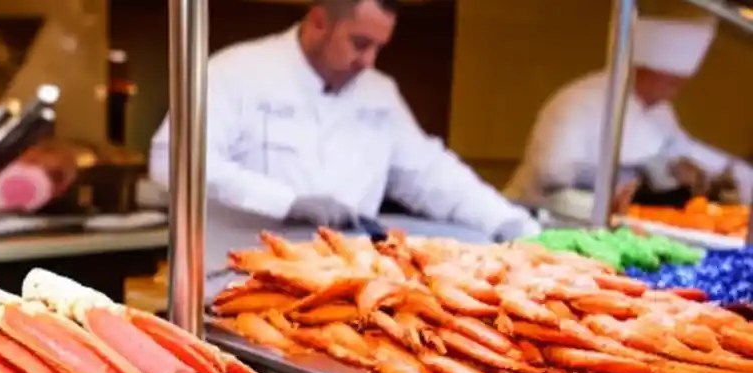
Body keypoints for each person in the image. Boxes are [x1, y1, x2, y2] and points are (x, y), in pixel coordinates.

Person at [148, 0, 539, 241]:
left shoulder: (379, 92)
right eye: (360, 43)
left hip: (340, 288)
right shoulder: (237, 72)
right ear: (319, 22)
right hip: (232, 285)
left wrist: (509, 223)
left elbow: (432, 175)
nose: (369, 60)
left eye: (378, 48)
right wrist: (288, 203)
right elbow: (171, 160)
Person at [507, 15, 753, 209]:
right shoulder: (580, 101)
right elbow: (553, 173)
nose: (674, 93)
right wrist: (636, 170)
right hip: (539, 216)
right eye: (672, 83)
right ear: (643, 71)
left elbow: (685, 150)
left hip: (611, 220)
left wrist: (739, 172)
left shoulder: (660, 111)